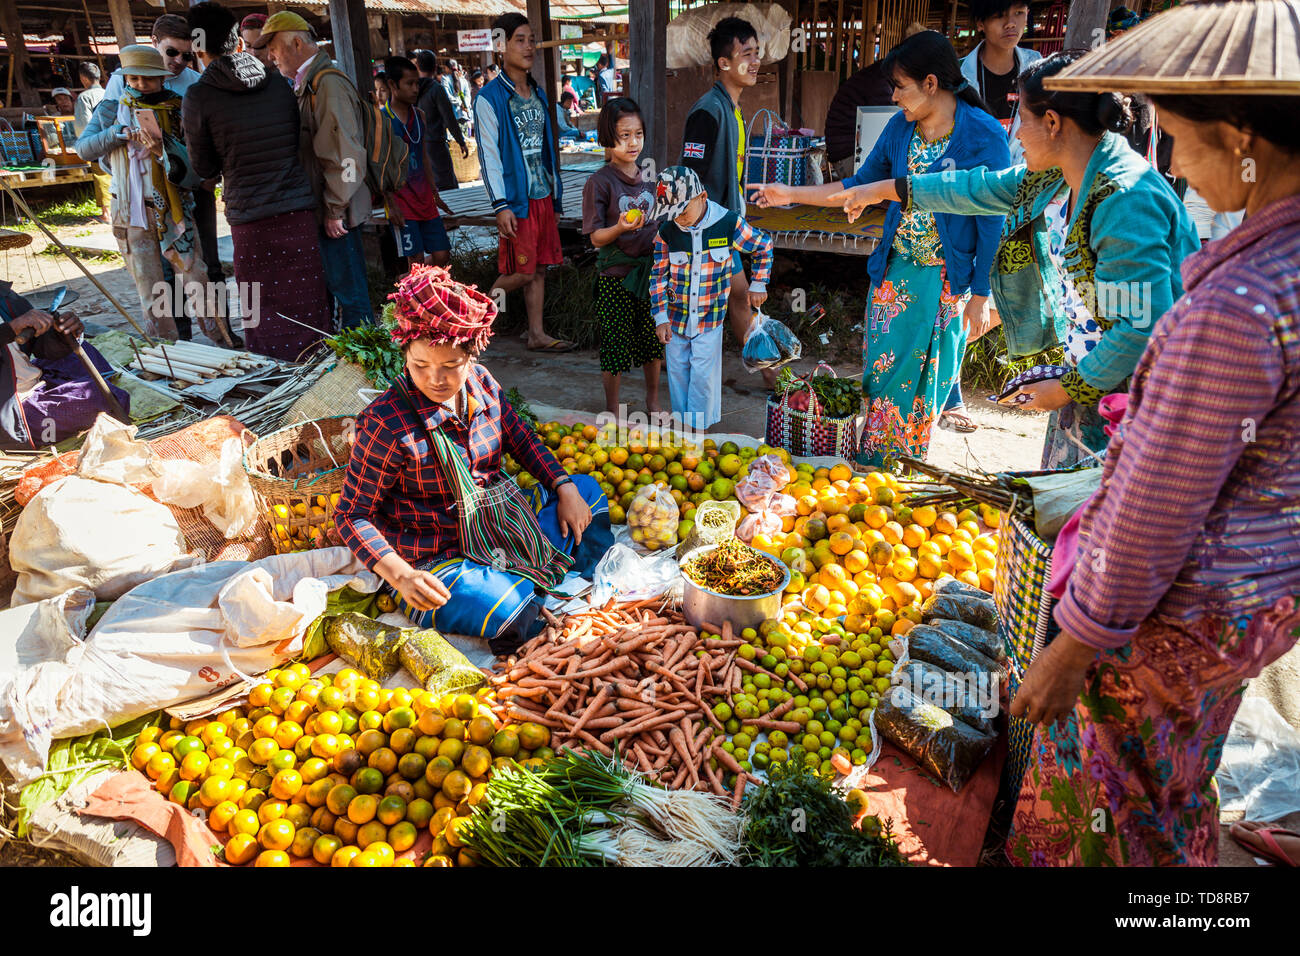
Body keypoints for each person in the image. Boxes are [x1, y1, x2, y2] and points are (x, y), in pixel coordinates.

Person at [1001, 1, 1300, 867]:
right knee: (1171, 788)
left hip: (1170, 626)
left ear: (1241, 135)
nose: (1170, 161)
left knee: (1112, 815)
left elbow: (1155, 510)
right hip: (1249, 611)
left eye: (1177, 135)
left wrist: (1075, 644)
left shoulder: (1235, 311)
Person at [834, 51, 1199, 468]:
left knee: (1104, 519)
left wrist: (1065, 388)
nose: (1017, 134)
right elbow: (975, 188)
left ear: (1053, 123)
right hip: (1091, 378)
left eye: (1022, 118)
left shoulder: (1125, 199)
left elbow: (1137, 328)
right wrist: (887, 189)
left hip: (1145, 394)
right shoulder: (1062, 172)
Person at [753, 31, 1010, 467]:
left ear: (931, 83)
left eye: (900, 86)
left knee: (925, 385)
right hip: (893, 273)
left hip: (946, 282)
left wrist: (981, 293)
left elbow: (992, 220)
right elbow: (859, 186)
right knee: (882, 376)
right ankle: (876, 468)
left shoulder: (983, 135)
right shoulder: (900, 128)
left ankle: (900, 471)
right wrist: (789, 194)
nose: (893, 97)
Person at [335, 265, 613, 655]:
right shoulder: (385, 423)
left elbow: (521, 438)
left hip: (500, 525)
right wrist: (399, 576)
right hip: (438, 553)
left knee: (587, 493)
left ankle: (534, 578)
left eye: (451, 366)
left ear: (471, 353)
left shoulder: (482, 384)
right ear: (405, 357)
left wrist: (562, 485)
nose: (436, 379)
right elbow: (351, 515)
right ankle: (521, 592)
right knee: (502, 609)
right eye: (420, 366)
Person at [184, 1, 330, 361]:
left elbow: (203, 166)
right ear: (237, 40)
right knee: (307, 300)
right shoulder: (280, 84)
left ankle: (276, 381)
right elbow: (294, 140)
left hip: (250, 218)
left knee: (262, 309)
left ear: (197, 46)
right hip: (297, 210)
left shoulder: (199, 96)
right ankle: (320, 376)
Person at [75, 45, 212, 342]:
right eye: (134, 79)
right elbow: (84, 149)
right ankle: (171, 350)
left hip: (173, 207)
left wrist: (162, 148)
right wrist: (117, 134)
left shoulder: (179, 107)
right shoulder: (111, 109)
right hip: (130, 210)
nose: (140, 85)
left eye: (147, 79)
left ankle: (221, 340)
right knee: (151, 288)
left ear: (161, 79)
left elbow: (196, 164)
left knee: (196, 277)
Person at [258, 11, 374, 331]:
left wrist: (335, 208)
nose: (270, 55)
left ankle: (361, 372)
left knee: (350, 293)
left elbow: (347, 155)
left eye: (274, 47)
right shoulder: (308, 83)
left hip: (338, 209)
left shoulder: (327, 84)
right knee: (338, 288)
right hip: (329, 204)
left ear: (297, 43)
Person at [680, 17, 775, 387]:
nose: (755, 62)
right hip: (708, 231)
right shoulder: (708, 111)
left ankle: (769, 374)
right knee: (730, 301)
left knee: (738, 298)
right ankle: (767, 376)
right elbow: (691, 178)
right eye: (745, 55)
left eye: (756, 54)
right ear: (723, 63)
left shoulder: (732, 108)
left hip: (723, 227)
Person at [473, 12, 573, 353]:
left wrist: (556, 198)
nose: (529, 46)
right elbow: (488, 155)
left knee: (540, 268)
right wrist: (500, 204)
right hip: (516, 198)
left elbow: (548, 149)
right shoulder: (489, 98)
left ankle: (536, 333)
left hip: (542, 193)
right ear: (500, 46)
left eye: (531, 39)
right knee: (523, 272)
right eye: (520, 39)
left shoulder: (540, 94)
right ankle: (476, 315)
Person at [650, 165, 773, 433]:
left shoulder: (728, 223)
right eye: (672, 214)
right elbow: (658, 276)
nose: (678, 219)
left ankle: (699, 432)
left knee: (703, 378)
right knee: (678, 375)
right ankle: (684, 430)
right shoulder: (667, 232)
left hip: (709, 320)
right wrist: (660, 317)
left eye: (683, 211)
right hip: (675, 319)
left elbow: (763, 245)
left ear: (702, 197)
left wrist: (759, 282)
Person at [582, 97, 664, 416]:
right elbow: (595, 236)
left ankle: (653, 401)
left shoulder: (650, 176)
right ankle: (613, 408)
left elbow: (660, 218)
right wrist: (618, 227)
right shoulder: (599, 182)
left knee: (651, 342)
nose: (633, 142)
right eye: (624, 135)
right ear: (608, 136)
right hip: (615, 277)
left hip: (651, 276)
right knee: (616, 346)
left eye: (638, 134)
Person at [0, 283, 130, 450]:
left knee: (79, 352)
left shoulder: (5, 297)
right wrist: (11, 329)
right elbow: (11, 331)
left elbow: (41, 347)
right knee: (101, 397)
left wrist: (61, 333)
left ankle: (75, 393)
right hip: (12, 411)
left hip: (26, 378)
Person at [383, 56, 454, 269]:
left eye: (417, 83)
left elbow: (424, 157)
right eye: (409, 84)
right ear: (393, 85)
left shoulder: (420, 116)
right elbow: (380, 166)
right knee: (415, 261)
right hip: (401, 202)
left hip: (425, 200)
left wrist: (435, 193)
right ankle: (416, 294)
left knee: (442, 255)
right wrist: (390, 204)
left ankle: (412, 283)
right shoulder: (382, 120)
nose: (415, 89)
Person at [960, 1, 1042, 164]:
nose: (1010, 23)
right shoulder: (958, 73)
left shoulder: (1039, 67)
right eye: (999, 15)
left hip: (1023, 178)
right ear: (980, 23)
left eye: (1019, 13)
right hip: (974, 179)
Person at [415, 50, 469, 192]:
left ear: (417, 67)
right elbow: (449, 118)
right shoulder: (436, 89)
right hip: (436, 144)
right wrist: (461, 141)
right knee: (447, 185)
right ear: (435, 68)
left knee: (425, 186)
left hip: (417, 145)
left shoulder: (411, 90)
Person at [74, 63, 109, 223]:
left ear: (83, 78)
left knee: (100, 175)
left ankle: (106, 213)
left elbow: (84, 125)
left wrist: (83, 144)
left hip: (95, 139)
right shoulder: (108, 92)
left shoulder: (84, 97)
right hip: (111, 137)